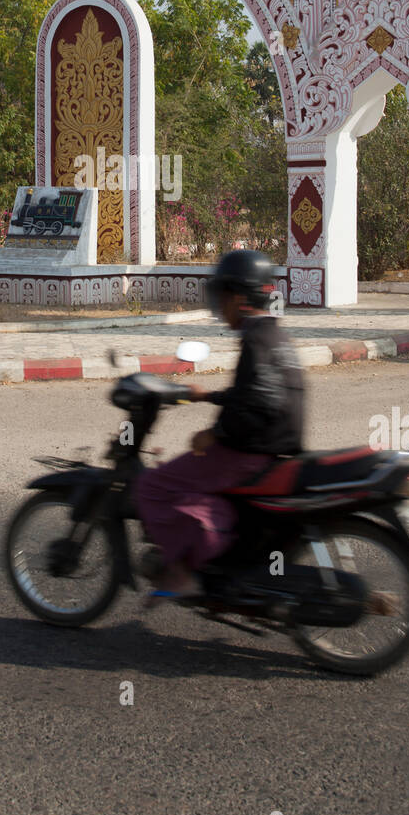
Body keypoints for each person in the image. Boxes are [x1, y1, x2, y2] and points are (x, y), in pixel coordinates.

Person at [136, 250, 304, 602]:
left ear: (240, 299)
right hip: (276, 447)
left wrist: (215, 433)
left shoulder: (255, 339)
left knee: (153, 486)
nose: (220, 306)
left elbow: (259, 401)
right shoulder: (274, 334)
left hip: (247, 451)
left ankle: (183, 574)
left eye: (224, 297)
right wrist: (209, 397)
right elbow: (256, 393)